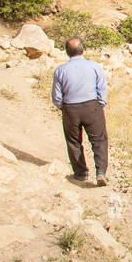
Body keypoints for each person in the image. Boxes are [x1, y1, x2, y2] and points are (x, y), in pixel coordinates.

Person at [51, 37, 109, 185]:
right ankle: (101, 172)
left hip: (70, 108)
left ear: (67, 53)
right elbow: (101, 88)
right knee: (99, 140)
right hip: (92, 106)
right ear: (83, 50)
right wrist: (100, 104)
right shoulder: (94, 66)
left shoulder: (60, 70)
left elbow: (57, 96)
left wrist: (64, 108)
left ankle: (81, 173)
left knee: (73, 142)